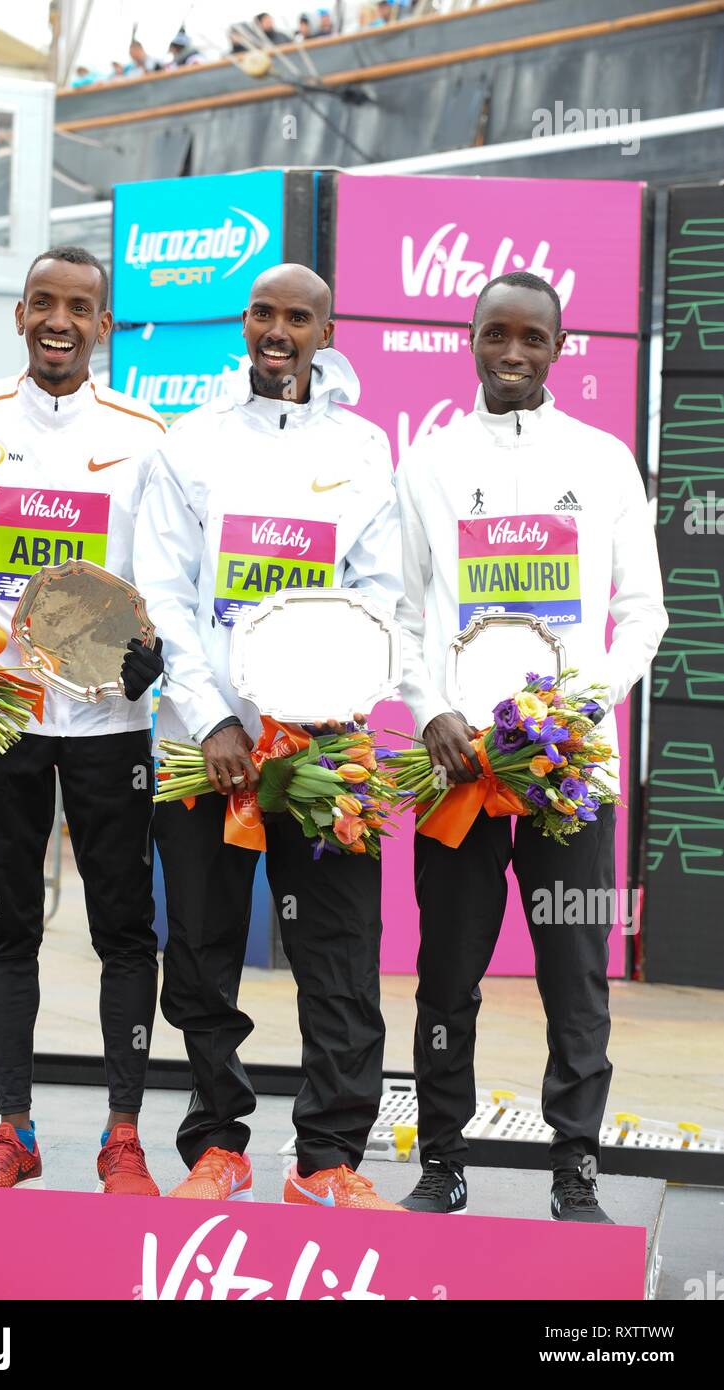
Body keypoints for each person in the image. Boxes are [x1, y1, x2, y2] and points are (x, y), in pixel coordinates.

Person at [395, 270, 668, 1222]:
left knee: (573, 969)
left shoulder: (602, 461)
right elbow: (400, 607)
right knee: (448, 971)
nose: (511, 354)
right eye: (493, 335)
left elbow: (641, 615)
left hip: (564, 769)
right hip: (458, 765)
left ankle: (575, 1165)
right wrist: (430, 706)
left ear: (561, 348)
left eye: (531, 339)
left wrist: (577, 712)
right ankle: (441, 1157)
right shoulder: (427, 462)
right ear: (468, 340)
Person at [134, 263, 406, 1211]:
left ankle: (326, 1158)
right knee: (202, 956)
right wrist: (209, 716)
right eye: (263, 313)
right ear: (243, 323)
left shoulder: (365, 447)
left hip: (322, 749)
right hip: (204, 750)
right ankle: (217, 1147)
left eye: (298, 317)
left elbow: (381, 595)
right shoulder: (192, 442)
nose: (278, 331)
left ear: (325, 330)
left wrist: (322, 704)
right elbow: (162, 591)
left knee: (339, 957)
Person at [0, 246, 167, 1197]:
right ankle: (13, 1132)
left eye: (81, 308)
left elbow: (165, 575)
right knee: (6, 930)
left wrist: (154, 654)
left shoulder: (146, 432)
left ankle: (124, 1137)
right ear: (20, 315)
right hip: (5, 715)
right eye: (44, 305)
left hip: (110, 726)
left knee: (124, 935)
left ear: (105, 324)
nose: (60, 322)